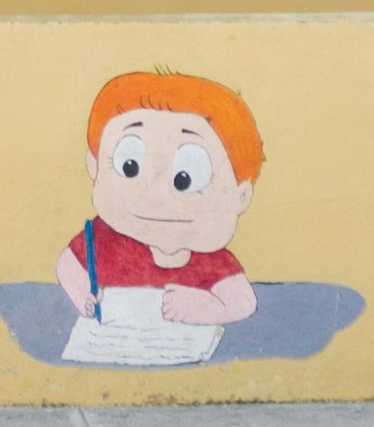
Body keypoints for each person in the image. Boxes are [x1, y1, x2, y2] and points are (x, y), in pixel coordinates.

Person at [53, 69, 261, 366]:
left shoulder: (210, 261)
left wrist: (207, 306)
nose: (156, 194)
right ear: (95, 167)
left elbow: (244, 302)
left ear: (241, 195)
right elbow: (68, 265)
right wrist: (82, 294)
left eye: (186, 178)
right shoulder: (103, 241)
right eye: (129, 166)